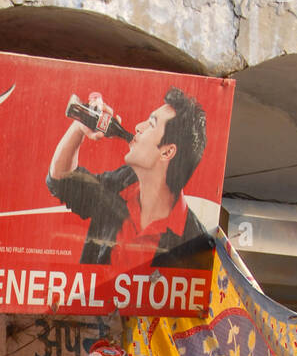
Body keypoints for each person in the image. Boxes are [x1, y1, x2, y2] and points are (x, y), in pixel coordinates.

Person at [46, 86, 210, 271]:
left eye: (151, 124)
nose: (138, 127)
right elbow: (62, 181)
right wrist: (80, 128)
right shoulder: (122, 184)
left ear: (167, 152)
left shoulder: (195, 244)